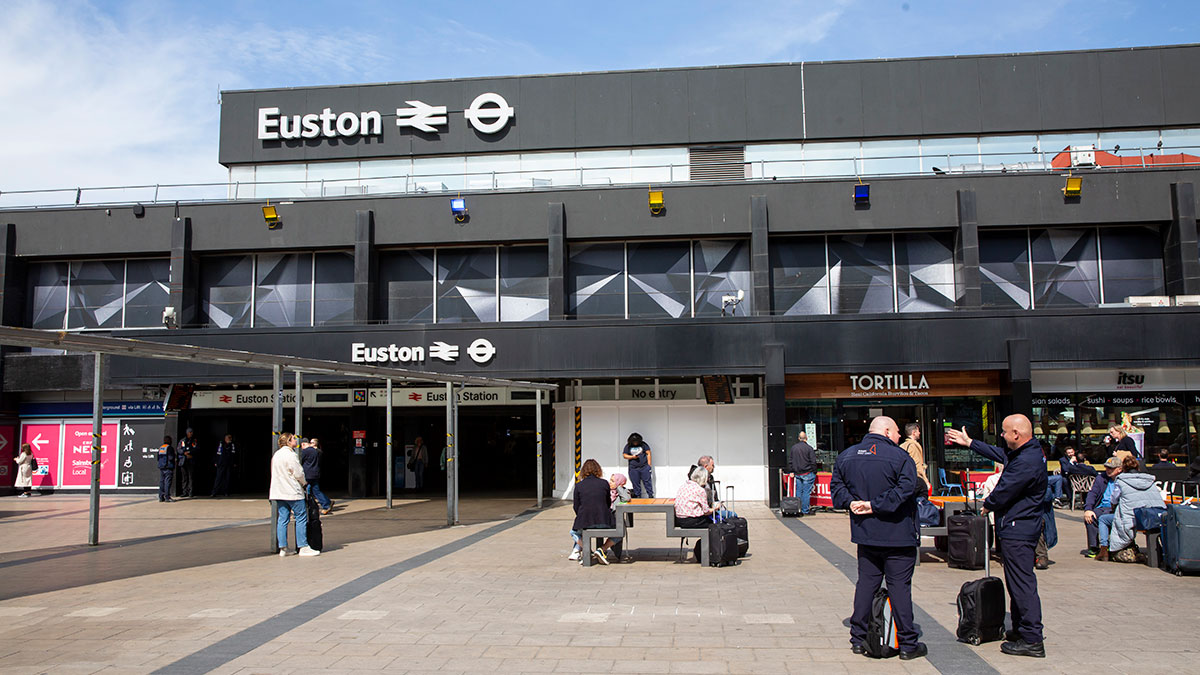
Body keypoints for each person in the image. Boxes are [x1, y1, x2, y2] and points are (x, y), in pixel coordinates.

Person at [946, 415, 1047, 658]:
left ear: (1016, 434)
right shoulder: (1026, 452)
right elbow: (1001, 455)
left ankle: (1032, 638)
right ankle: (1021, 629)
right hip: (1019, 525)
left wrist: (988, 504)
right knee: (1016, 581)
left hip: (1019, 528)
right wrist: (971, 443)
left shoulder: (1026, 461)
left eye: (1003, 432)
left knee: (1022, 583)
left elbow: (1005, 489)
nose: (1001, 435)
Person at [830, 416, 925, 660]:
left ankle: (858, 639)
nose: (899, 436)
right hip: (898, 534)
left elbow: (837, 488)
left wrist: (852, 503)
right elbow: (906, 489)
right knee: (899, 588)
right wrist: (875, 505)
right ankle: (907, 643)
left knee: (866, 585)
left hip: (866, 534)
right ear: (886, 431)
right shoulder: (900, 457)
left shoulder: (846, 456)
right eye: (896, 432)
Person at [1101, 455, 1166, 560]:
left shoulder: (1121, 481)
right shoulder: (1149, 480)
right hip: (1151, 516)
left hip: (1132, 518)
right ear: (1137, 467)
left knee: (1103, 519)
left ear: (1123, 468)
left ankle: (1103, 550)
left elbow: (1113, 500)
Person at [270, 432, 318, 557]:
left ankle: (283, 548)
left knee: (283, 519)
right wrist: (304, 483)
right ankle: (303, 546)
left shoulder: (276, 455)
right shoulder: (291, 455)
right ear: (289, 441)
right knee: (301, 517)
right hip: (292, 491)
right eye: (293, 438)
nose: (296, 440)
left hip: (278, 491)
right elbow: (298, 473)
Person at [572, 459, 620, 565]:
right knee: (620, 532)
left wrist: (582, 516)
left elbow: (576, 506)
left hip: (585, 521)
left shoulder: (579, 485)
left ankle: (588, 550)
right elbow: (608, 502)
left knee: (574, 533)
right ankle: (602, 549)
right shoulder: (604, 483)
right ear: (598, 470)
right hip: (604, 520)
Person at [1083, 456, 1123, 558]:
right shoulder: (1101, 478)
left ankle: (1110, 546)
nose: (1108, 470)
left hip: (1117, 508)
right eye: (1106, 467)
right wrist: (1088, 509)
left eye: (1111, 468)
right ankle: (1094, 547)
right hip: (1102, 507)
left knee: (1105, 517)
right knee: (1091, 517)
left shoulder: (1124, 479)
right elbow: (1092, 493)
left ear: (1119, 469)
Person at [674, 465, 724, 530]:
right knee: (718, 522)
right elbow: (706, 511)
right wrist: (716, 508)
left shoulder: (683, 486)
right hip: (693, 521)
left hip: (680, 520)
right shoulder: (700, 490)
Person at [788, 431, 818, 515]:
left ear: (798, 438)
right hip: (807, 473)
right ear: (806, 438)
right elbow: (813, 461)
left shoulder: (794, 448)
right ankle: (805, 510)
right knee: (806, 492)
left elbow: (790, 460)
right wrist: (814, 471)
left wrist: (791, 471)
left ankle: (798, 509)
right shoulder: (809, 448)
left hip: (798, 473)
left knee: (798, 491)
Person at [300, 437, 333, 515]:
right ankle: (326, 503)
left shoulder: (305, 452)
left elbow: (300, 461)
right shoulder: (316, 451)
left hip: (308, 474)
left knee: (307, 492)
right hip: (315, 473)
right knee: (316, 491)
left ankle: (307, 508)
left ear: (303, 444)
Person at [899, 423, 931, 494]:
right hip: (916, 480)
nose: (919, 433)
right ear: (914, 432)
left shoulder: (902, 446)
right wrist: (926, 481)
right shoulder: (913, 446)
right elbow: (917, 465)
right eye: (918, 431)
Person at [623, 432, 653, 498]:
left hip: (644, 467)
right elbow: (625, 455)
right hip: (633, 468)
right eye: (634, 441)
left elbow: (648, 453)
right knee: (635, 482)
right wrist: (632, 457)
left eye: (636, 441)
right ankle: (638, 496)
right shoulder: (628, 446)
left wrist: (649, 465)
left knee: (647, 482)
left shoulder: (644, 445)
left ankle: (650, 495)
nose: (635, 443)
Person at [177, 428, 198, 498]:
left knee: (191, 477)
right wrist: (184, 453)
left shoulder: (194, 441)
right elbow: (178, 449)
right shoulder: (182, 440)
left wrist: (190, 453)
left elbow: (196, 449)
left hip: (191, 461)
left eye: (191, 432)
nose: (191, 433)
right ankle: (184, 491)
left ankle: (190, 492)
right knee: (184, 477)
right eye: (190, 432)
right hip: (183, 461)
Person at [157, 436, 175, 503]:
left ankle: (161, 497)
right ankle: (167, 497)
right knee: (167, 482)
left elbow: (158, 458)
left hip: (161, 467)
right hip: (168, 467)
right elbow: (171, 457)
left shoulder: (161, 447)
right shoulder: (169, 448)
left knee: (162, 482)